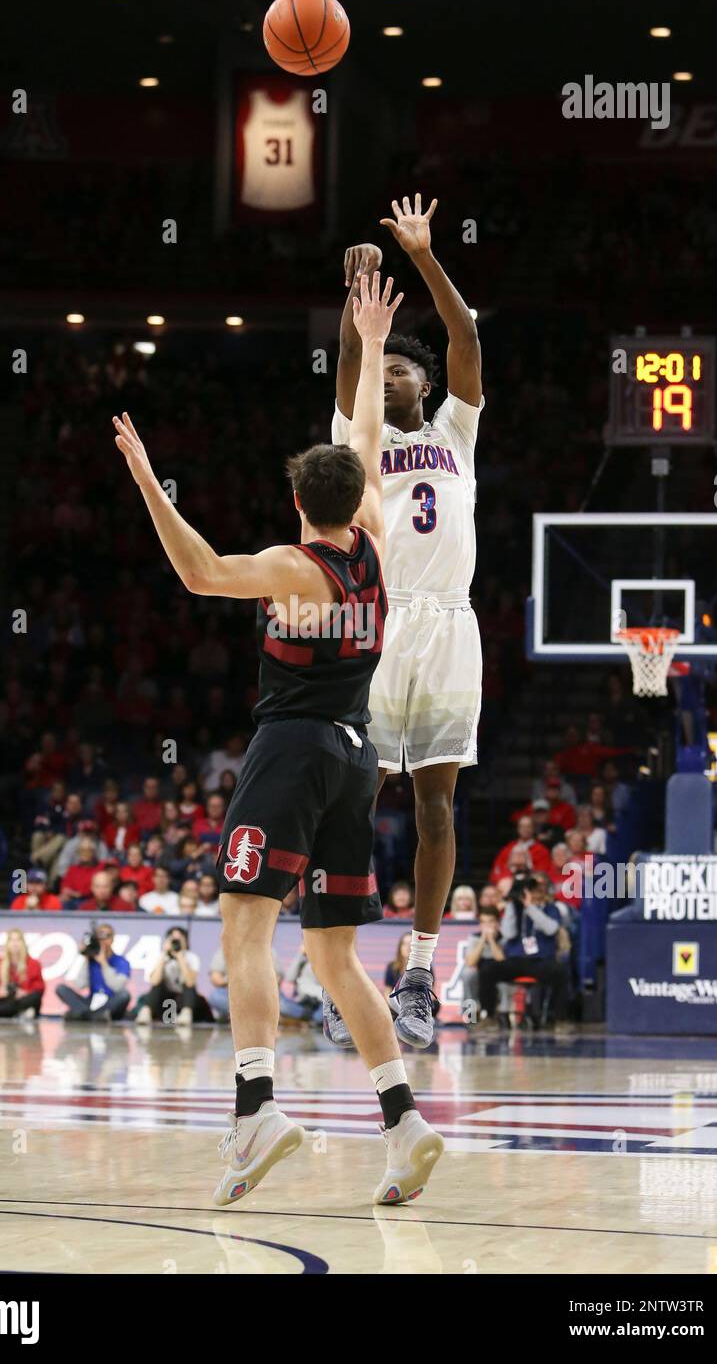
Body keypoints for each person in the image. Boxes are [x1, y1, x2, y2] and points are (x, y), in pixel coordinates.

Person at [113, 270, 443, 1208]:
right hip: (357, 757)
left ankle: (256, 1106)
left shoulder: (291, 568)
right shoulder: (374, 540)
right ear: (352, 498)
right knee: (337, 956)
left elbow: (198, 570)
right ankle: (404, 1118)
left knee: (243, 927)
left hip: (294, 746)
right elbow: (370, 444)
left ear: (300, 501)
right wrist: (373, 343)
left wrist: (145, 478)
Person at [330, 195, 484, 1048]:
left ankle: (421, 971)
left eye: (400, 374)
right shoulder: (358, 438)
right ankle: (341, 966)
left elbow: (466, 339)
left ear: (425, 386)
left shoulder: (457, 431)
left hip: (450, 628)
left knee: (435, 808)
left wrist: (422, 258)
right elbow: (349, 356)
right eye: (380, 374)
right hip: (380, 623)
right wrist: (358, 294)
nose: (388, 381)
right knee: (354, 793)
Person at [477, 877, 570, 1031]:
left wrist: (530, 907)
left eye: (536, 890)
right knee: (487, 969)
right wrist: (512, 905)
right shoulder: (516, 909)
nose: (533, 893)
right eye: (529, 890)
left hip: (541, 961)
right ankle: (489, 1017)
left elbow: (551, 929)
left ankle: (561, 1020)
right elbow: (508, 933)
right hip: (516, 960)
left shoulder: (551, 908)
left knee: (560, 971)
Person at [131, 926, 213, 1026]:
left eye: (179, 939)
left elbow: (190, 982)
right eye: (173, 939)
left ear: (185, 941)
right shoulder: (161, 956)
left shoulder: (191, 957)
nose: (175, 942)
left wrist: (180, 957)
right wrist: (164, 955)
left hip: (185, 999)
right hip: (166, 1001)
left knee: (189, 986)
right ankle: (145, 1013)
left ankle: (186, 1015)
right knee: (157, 985)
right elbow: (154, 981)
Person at [56, 922, 131, 1021]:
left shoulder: (121, 961)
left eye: (106, 937)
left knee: (124, 995)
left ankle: (82, 1015)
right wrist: (86, 959)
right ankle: (94, 1016)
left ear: (112, 939)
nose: (102, 941)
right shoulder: (91, 960)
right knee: (61, 988)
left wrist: (104, 963)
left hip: (110, 1002)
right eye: (99, 938)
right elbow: (80, 985)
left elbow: (118, 987)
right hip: (91, 1001)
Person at [0, 929, 45, 1020]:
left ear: (23, 943)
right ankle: (20, 1011)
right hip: (6, 998)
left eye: (18, 940)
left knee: (35, 998)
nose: (15, 943)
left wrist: (24, 992)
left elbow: (39, 987)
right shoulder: (0, 963)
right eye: (12, 940)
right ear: (7, 944)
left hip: (23, 998)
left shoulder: (34, 963)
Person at [279, 944, 324, 1024]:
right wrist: (300, 954)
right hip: (300, 1005)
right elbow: (289, 978)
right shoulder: (303, 959)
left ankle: (314, 1021)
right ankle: (310, 1021)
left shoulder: (327, 960)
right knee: (279, 1000)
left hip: (319, 1006)